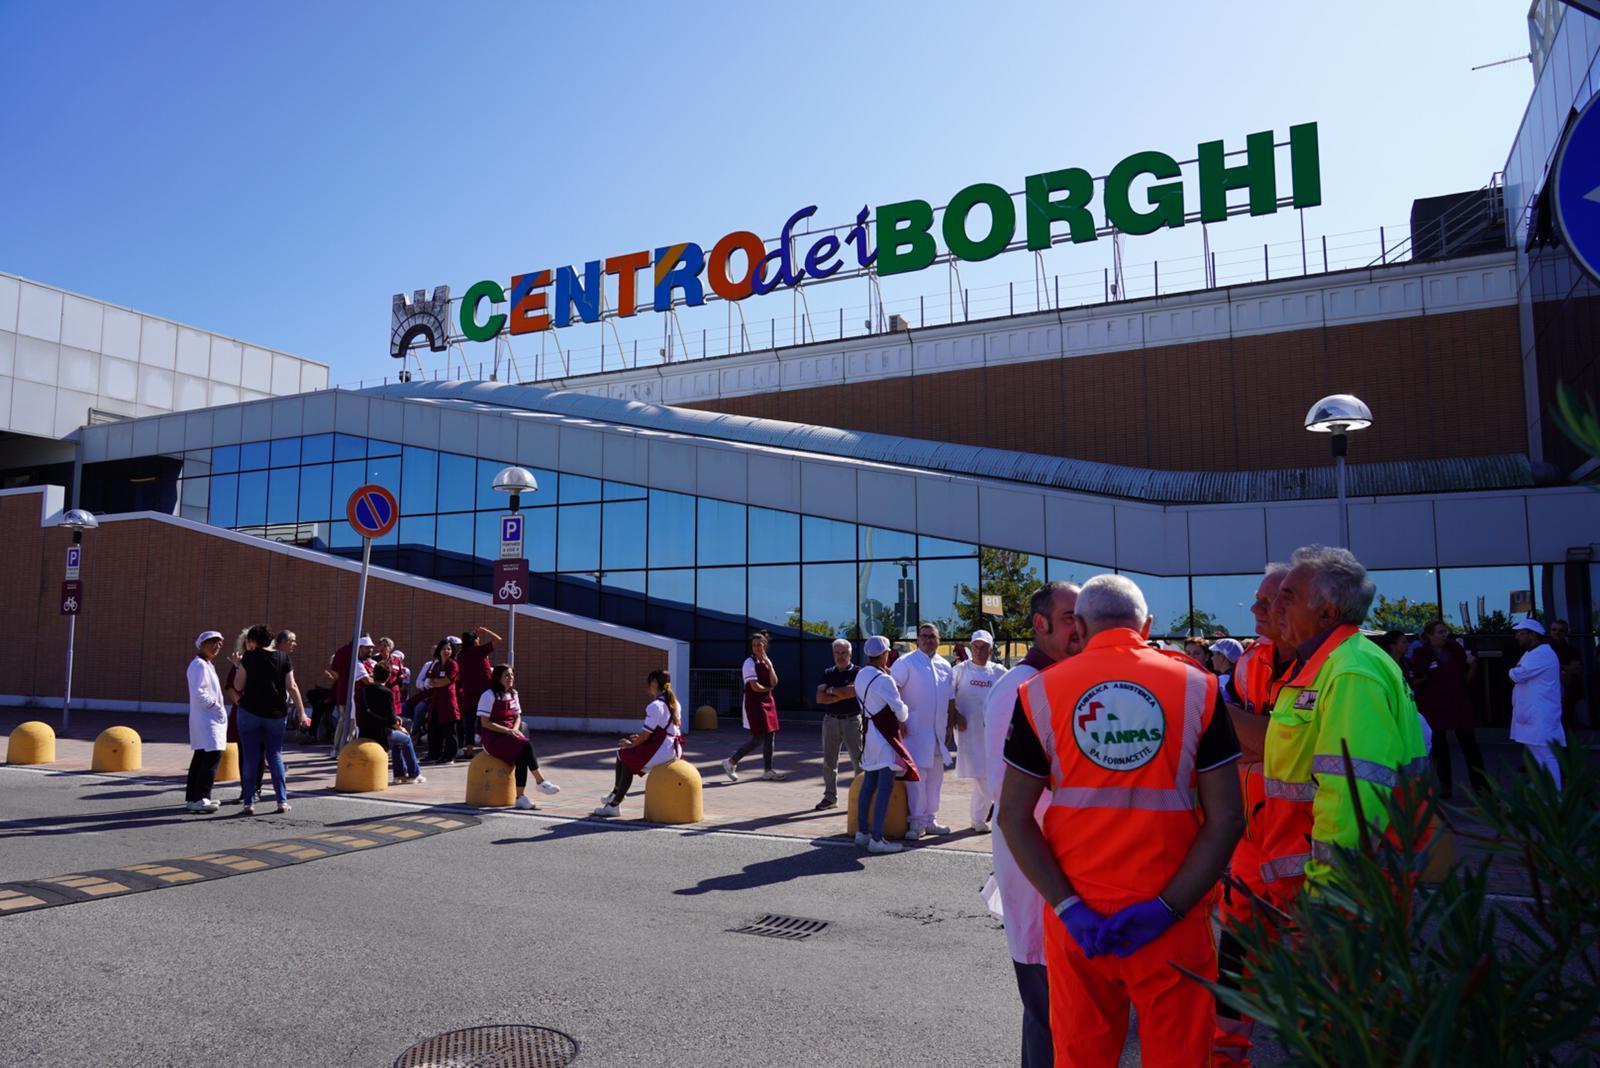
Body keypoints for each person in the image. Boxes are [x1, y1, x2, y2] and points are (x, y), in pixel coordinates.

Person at [999, 574, 1244, 1068]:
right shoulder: (1199, 688)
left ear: (1082, 626)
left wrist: (1068, 908)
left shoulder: (1039, 692)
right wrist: (1168, 909)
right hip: (1172, 918)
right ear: (1147, 624)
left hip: (1080, 923)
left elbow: (1012, 817)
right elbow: (1228, 818)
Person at [1257, 545, 1430, 909]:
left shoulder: (1351, 672)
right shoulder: (1326, 666)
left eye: (1287, 598)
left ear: (1327, 612)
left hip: (1345, 894)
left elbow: (1352, 797)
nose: (1274, 609)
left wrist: (1326, 895)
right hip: (1324, 885)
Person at [981, 581, 1081, 1068]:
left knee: (1063, 1016)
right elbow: (1013, 796)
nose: (1079, 627)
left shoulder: (1068, 680)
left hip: (1066, 871)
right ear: (1039, 625)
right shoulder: (1016, 689)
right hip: (1039, 870)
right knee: (1049, 1011)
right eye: (1068, 618)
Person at [1213, 564, 1293, 1068]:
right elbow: (1243, 743)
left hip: (1308, 849)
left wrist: (1256, 737)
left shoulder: (1338, 668)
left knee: (1321, 983)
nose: (1255, 609)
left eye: (1268, 601)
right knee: (1233, 970)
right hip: (1250, 842)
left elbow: (1271, 745)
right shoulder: (1251, 664)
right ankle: (1225, 1060)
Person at [231, 623, 307, 816]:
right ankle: (281, 801)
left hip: (249, 712)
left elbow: (238, 685)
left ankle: (249, 803)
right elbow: (292, 686)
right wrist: (302, 712)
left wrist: (239, 666)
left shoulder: (249, 657)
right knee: (275, 756)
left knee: (251, 757)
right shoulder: (283, 658)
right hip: (275, 714)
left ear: (253, 641)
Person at [892, 622, 955, 838]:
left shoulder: (945, 666)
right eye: (924, 636)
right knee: (917, 778)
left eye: (932, 636)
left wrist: (950, 723)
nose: (928, 639)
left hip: (937, 733)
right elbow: (894, 690)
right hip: (914, 731)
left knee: (936, 779)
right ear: (918, 639)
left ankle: (931, 820)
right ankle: (916, 822)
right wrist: (898, 719)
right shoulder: (906, 662)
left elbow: (951, 698)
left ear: (939, 640)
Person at [593, 669, 684, 817]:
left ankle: (615, 804)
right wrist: (636, 741)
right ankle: (616, 793)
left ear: (654, 683)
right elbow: (659, 730)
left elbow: (646, 735)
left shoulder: (655, 706)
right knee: (622, 753)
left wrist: (631, 744)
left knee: (628, 757)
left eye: (649, 683)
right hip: (672, 746)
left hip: (663, 748)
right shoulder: (674, 702)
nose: (648, 686)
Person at [1409, 620, 1484, 800]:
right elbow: (1417, 679)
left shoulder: (1455, 650)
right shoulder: (1421, 653)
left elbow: (1467, 678)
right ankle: (1445, 787)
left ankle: (1482, 787)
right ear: (1429, 634)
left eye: (1445, 632)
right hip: (1434, 706)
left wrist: (1474, 665)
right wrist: (1423, 678)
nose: (1445, 635)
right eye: (1440, 632)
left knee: (1470, 747)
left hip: (1458, 704)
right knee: (1440, 748)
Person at [854, 635, 912, 855]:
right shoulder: (885, 680)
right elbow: (901, 712)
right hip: (884, 737)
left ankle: (862, 833)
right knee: (885, 787)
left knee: (869, 784)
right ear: (885, 654)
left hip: (868, 735)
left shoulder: (861, 674)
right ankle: (877, 838)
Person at [477, 664, 561, 809]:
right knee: (526, 745)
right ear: (498, 678)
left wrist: (515, 729)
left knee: (522, 757)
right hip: (492, 738)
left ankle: (520, 797)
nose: (510, 678)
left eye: (512, 675)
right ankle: (540, 782)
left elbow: (517, 717)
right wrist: (508, 731)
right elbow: (485, 723)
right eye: (506, 675)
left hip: (511, 736)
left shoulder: (513, 694)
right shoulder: (488, 695)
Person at [951, 629, 1005, 832]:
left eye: (983, 648)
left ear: (990, 650)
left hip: (991, 732)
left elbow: (1010, 695)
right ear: (970, 647)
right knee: (978, 771)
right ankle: (999, 807)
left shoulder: (999, 671)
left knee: (984, 772)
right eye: (975, 647)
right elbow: (948, 697)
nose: (979, 651)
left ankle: (978, 819)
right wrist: (955, 716)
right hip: (968, 732)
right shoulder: (960, 670)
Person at [1509, 619, 1565, 788]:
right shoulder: (1531, 653)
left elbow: (1517, 674)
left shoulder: (1543, 653)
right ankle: (1546, 796)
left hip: (1541, 714)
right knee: (1539, 757)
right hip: (1532, 714)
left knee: (1546, 756)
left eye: (1521, 633)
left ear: (1532, 635)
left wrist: (1513, 670)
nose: (1517, 637)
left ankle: (1554, 798)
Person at [725, 631, 784, 782]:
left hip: (768, 701)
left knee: (770, 736)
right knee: (758, 738)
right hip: (755, 703)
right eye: (754, 645)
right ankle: (730, 761)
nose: (757, 647)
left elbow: (774, 682)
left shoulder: (766, 661)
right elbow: (755, 687)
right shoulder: (749, 663)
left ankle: (768, 770)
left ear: (765, 645)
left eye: (759, 645)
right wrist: (769, 689)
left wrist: (770, 667)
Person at [814, 638, 864, 811]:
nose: (841, 656)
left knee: (858, 760)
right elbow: (819, 698)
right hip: (831, 720)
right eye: (837, 653)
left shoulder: (859, 672)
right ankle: (830, 797)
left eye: (844, 653)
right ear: (833, 654)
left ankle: (860, 798)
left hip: (852, 720)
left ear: (850, 654)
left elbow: (852, 692)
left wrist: (832, 690)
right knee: (829, 761)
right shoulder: (828, 673)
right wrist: (841, 692)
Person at [358, 662, 425, 785]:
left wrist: (395, 719)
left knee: (397, 743)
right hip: (381, 733)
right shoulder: (387, 692)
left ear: (374, 674)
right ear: (388, 676)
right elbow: (389, 717)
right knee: (406, 739)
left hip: (365, 731)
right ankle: (414, 774)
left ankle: (399, 775)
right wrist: (399, 727)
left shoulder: (365, 690)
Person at [184, 630, 228, 814]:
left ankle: (194, 797)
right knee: (211, 757)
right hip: (207, 719)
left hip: (206, 718)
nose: (216, 646)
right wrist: (216, 705)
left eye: (219, 643)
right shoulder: (200, 665)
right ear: (201, 644)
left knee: (201, 757)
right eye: (212, 642)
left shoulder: (205, 664)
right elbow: (200, 693)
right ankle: (201, 798)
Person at [456, 625, 500, 756]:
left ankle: (468, 750)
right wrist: (485, 631)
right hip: (484, 692)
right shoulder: (478, 651)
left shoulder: (461, 655)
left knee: (470, 722)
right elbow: (498, 639)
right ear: (475, 640)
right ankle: (487, 748)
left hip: (469, 692)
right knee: (486, 720)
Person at [424, 638, 461, 764]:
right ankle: (434, 754)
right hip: (436, 701)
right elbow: (430, 681)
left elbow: (446, 681)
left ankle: (449, 756)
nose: (446, 651)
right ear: (439, 650)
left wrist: (436, 683)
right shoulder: (437, 665)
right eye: (444, 648)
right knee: (433, 728)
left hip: (448, 701)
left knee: (449, 730)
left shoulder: (453, 664)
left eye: (449, 649)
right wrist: (436, 683)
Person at [1548, 619, 1585, 729]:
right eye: (1554, 630)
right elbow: (1545, 668)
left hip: (1569, 692)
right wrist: (1566, 668)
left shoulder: (1572, 650)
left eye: (1560, 630)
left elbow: (1578, 668)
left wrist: (1560, 668)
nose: (1557, 632)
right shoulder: (1545, 649)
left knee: (1569, 723)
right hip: (1551, 693)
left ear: (1566, 632)